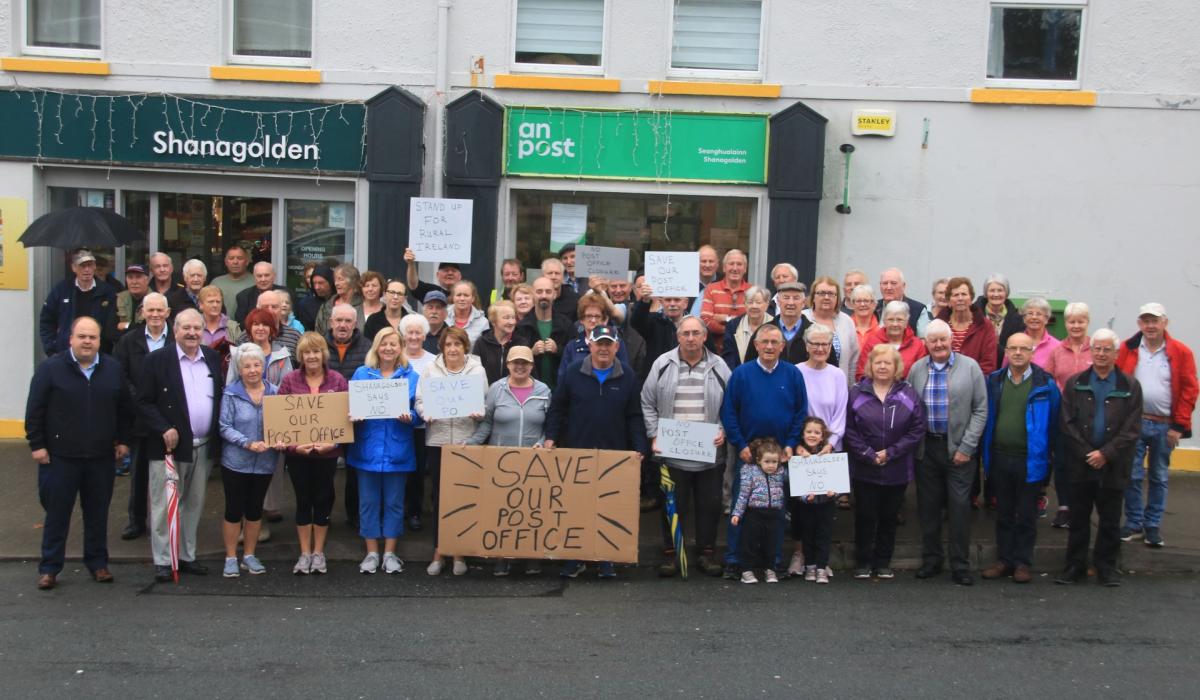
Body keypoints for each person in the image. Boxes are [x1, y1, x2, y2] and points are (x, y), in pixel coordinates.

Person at [25, 317, 132, 590]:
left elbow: (124, 409)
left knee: (97, 513)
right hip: (60, 457)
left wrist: (123, 440)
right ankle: (49, 568)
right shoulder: (50, 369)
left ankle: (98, 564)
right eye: (82, 336)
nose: (87, 342)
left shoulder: (112, 369)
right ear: (70, 339)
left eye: (92, 337)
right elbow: (35, 410)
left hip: (101, 457)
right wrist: (37, 445)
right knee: (57, 514)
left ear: (99, 341)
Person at [544, 324, 648, 579]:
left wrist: (639, 448)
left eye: (608, 343)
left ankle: (605, 558)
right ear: (590, 345)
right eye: (598, 343)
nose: (603, 348)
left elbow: (634, 415)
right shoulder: (572, 372)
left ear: (616, 347)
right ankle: (575, 558)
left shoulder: (628, 377)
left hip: (614, 454)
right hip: (577, 452)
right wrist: (550, 438)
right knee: (576, 508)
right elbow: (558, 408)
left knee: (608, 508)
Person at [641, 316, 731, 578]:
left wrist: (723, 430)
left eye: (695, 333)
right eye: (685, 333)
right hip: (672, 451)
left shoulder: (719, 366)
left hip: (709, 453)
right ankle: (670, 554)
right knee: (673, 506)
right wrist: (654, 434)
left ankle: (707, 554)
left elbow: (733, 403)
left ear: (705, 337)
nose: (690, 338)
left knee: (709, 507)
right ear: (678, 337)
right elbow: (647, 402)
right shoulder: (662, 364)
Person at [138, 309, 224, 583]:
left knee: (193, 504)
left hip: (203, 445)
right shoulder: (156, 361)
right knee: (163, 505)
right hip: (169, 448)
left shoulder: (211, 357)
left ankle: (187, 556)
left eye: (197, 328)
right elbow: (143, 402)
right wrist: (164, 427)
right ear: (175, 330)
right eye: (186, 327)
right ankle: (164, 560)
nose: (192, 333)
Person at [719, 324, 808, 579]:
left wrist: (790, 443)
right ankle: (735, 560)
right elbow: (729, 412)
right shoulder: (741, 374)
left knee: (777, 510)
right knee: (741, 506)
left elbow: (801, 411)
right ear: (755, 345)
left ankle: (772, 561)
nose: (769, 347)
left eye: (774, 342)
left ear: (782, 346)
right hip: (748, 454)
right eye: (765, 342)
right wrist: (740, 445)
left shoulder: (792, 374)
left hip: (780, 456)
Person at [1056, 329, 1143, 587]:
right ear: (1090, 351)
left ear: (1116, 354)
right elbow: (1066, 422)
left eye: (1107, 349)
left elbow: (1132, 427)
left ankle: (1106, 568)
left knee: (1110, 521)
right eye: (1097, 349)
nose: (1102, 354)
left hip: (1114, 465)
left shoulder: (1129, 386)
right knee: (1079, 519)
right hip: (1081, 464)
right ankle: (1074, 567)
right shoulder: (1076, 382)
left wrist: (1106, 453)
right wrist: (1087, 453)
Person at [908, 320, 988, 586]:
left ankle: (960, 564)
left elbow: (980, 409)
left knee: (959, 507)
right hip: (927, 448)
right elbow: (910, 408)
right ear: (926, 343)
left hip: (959, 449)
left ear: (952, 339)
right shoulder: (918, 369)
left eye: (943, 339)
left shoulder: (970, 367)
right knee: (928, 508)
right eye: (934, 340)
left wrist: (967, 447)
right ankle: (931, 560)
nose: (939, 345)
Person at [980, 333, 1061, 583]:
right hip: (1000, 457)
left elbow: (1055, 423)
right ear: (1006, 351)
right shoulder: (994, 380)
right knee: (1003, 512)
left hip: (1030, 459)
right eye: (1012, 348)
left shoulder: (1045, 384)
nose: (1017, 353)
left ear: (1032, 352)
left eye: (1023, 349)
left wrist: (1049, 458)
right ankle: (1004, 560)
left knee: (1026, 514)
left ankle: (1023, 563)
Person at [467, 345, 553, 576]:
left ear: (532, 366)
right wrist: (471, 444)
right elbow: (486, 423)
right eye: (516, 362)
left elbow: (550, 426)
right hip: (501, 462)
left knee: (532, 511)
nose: (520, 366)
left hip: (534, 463)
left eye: (525, 362)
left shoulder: (544, 390)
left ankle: (532, 556)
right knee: (502, 511)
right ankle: (501, 557)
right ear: (508, 365)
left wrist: (544, 442)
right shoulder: (497, 389)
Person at [1117, 303, 1197, 548]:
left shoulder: (1180, 352)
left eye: (1155, 321)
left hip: (1165, 425)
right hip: (1135, 422)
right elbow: (1118, 382)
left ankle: (1152, 525)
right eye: (1146, 321)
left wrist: (1179, 426)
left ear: (1165, 323)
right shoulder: (1128, 349)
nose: (1150, 326)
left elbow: (1190, 389)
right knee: (1132, 474)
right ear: (1140, 324)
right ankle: (1133, 523)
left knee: (1159, 476)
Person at [845, 344, 925, 580]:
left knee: (889, 518)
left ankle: (882, 562)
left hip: (896, 467)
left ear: (896, 367)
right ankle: (862, 562)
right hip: (864, 468)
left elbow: (917, 428)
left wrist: (891, 452)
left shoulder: (908, 393)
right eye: (878, 362)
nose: (882, 366)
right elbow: (849, 429)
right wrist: (869, 454)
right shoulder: (857, 392)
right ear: (870, 365)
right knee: (865, 516)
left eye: (887, 362)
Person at [348, 327, 420, 575]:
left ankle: (390, 553)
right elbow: (350, 408)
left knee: (394, 503)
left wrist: (409, 416)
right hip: (367, 449)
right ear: (376, 347)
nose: (388, 348)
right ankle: (371, 553)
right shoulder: (361, 374)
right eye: (384, 343)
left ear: (401, 347)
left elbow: (420, 414)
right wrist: (353, 417)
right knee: (368, 502)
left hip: (397, 450)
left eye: (393, 344)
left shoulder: (412, 377)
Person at [416, 327, 486, 577]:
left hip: (466, 442)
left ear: (464, 346)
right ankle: (439, 551)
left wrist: (480, 411)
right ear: (442, 348)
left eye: (457, 344)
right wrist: (427, 414)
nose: (453, 349)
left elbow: (485, 401)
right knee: (439, 497)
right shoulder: (430, 370)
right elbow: (420, 401)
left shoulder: (476, 370)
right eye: (448, 345)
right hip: (439, 441)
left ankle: (459, 553)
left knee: (463, 498)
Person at [277, 332, 348, 575]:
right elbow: (280, 422)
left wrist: (334, 443)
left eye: (316, 351)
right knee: (303, 501)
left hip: (326, 455)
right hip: (298, 455)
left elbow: (346, 419)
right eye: (307, 352)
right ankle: (304, 553)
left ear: (323, 354)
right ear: (300, 355)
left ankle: (319, 552)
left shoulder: (337, 380)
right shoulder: (289, 381)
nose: (312, 356)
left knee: (323, 499)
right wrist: (293, 447)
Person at [217, 343, 279, 577]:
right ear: (239, 369)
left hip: (264, 462)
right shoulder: (231, 393)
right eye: (247, 366)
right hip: (236, 461)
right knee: (234, 510)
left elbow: (283, 424)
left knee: (255, 510)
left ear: (263, 367)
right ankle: (231, 556)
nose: (252, 370)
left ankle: (250, 556)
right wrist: (247, 442)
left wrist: (280, 440)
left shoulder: (275, 392)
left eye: (256, 365)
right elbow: (224, 426)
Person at [114, 292, 171, 541]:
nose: (156, 315)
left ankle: (168, 520)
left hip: (169, 418)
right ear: (142, 313)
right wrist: (140, 401)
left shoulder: (176, 339)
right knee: (139, 473)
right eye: (151, 310)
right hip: (139, 419)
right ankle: (136, 520)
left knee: (170, 474)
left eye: (160, 310)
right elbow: (121, 375)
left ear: (168, 313)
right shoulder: (129, 341)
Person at [790, 323, 849, 556]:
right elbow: (792, 410)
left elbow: (840, 413)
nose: (820, 348)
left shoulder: (837, 375)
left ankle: (819, 560)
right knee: (800, 507)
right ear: (806, 346)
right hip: (801, 449)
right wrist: (797, 444)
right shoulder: (795, 371)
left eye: (825, 344)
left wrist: (830, 444)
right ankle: (799, 554)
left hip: (828, 450)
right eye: (815, 344)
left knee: (823, 510)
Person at [1043, 302, 1094, 528]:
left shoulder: (1096, 349)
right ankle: (1064, 507)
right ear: (1065, 323)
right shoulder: (1057, 351)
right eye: (1072, 321)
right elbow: (1047, 380)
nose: (1076, 325)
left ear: (1087, 323)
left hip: (1091, 419)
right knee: (1062, 463)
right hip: (1063, 417)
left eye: (1080, 321)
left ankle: (1081, 508)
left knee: (1084, 463)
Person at [324, 303, 370, 527]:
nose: (342, 325)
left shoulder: (368, 349)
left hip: (357, 420)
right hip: (325, 419)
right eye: (338, 320)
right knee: (326, 470)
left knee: (354, 470)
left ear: (355, 324)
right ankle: (324, 514)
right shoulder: (318, 346)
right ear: (331, 322)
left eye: (347, 321)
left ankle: (354, 515)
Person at [730, 437, 787, 584]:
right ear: (758, 460)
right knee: (750, 542)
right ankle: (746, 570)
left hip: (773, 513)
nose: (771, 465)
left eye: (774, 462)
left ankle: (770, 569)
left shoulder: (781, 473)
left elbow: (798, 483)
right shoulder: (750, 472)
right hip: (754, 513)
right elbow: (743, 494)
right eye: (767, 461)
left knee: (771, 543)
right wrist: (737, 513)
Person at [40, 249, 118, 356]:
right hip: (66, 354)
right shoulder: (61, 290)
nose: (87, 270)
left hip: (99, 354)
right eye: (82, 266)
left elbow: (114, 325)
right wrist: (51, 349)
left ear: (94, 266)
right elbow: (46, 321)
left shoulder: (108, 292)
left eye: (90, 265)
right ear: (73, 268)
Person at [399, 314, 435, 532]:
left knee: (418, 471)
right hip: (395, 424)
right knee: (398, 470)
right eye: (409, 332)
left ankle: (414, 512)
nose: (413, 336)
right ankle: (397, 511)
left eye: (417, 332)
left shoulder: (433, 360)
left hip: (422, 426)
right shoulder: (395, 356)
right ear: (403, 335)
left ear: (424, 335)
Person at [792, 418, 838, 584]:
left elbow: (837, 478)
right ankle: (810, 566)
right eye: (809, 432)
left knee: (823, 536)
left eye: (817, 433)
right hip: (805, 504)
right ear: (803, 434)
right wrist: (804, 497)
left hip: (826, 504)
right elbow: (794, 483)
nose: (812, 435)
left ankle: (821, 567)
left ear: (822, 436)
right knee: (807, 535)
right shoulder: (797, 455)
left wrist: (835, 492)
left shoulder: (829, 454)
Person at [557, 294, 630, 387]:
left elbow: (625, 374)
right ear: (581, 320)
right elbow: (562, 378)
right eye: (588, 316)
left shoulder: (616, 343)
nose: (593, 320)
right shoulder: (572, 346)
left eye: (597, 316)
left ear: (604, 319)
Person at [513, 277, 571, 389]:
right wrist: (530, 353)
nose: (544, 295)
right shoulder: (521, 327)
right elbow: (512, 361)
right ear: (533, 295)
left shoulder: (566, 325)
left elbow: (574, 356)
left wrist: (557, 350)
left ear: (554, 294)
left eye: (548, 291)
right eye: (539, 291)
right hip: (529, 391)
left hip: (560, 390)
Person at [802, 276, 859, 385]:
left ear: (837, 298)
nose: (827, 297)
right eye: (822, 293)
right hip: (807, 385)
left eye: (831, 294)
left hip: (838, 386)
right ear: (813, 296)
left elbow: (853, 362)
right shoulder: (802, 318)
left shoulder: (847, 321)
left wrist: (850, 389)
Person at [742, 282, 812, 365]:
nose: (790, 302)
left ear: (804, 303)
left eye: (796, 298)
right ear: (778, 301)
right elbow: (749, 366)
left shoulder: (814, 332)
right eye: (786, 298)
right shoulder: (762, 331)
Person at [857, 300, 927, 380]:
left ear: (906, 322)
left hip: (907, 391)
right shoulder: (872, 342)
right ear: (884, 321)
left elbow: (921, 376)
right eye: (890, 319)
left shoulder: (917, 345)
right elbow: (861, 374)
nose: (895, 324)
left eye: (899, 320)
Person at [699, 249, 750, 354]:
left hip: (744, 354)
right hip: (716, 354)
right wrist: (737, 327)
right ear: (724, 268)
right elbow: (705, 321)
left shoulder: (752, 291)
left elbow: (753, 323)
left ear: (745, 269)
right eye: (731, 264)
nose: (735, 268)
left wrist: (726, 319)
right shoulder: (711, 289)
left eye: (739, 264)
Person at [631, 281, 689, 363]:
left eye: (677, 300)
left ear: (685, 303)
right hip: (658, 373)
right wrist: (645, 300)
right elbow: (636, 322)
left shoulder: (695, 325)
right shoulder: (653, 321)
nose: (672, 304)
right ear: (661, 302)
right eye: (668, 300)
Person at [976, 273, 1024, 369]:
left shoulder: (1017, 318)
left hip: (1006, 368)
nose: (996, 294)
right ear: (986, 293)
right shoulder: (974, 315)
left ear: (1006, 293)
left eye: (1000, 290)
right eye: (992, 290)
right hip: (979, 367)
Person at [722, 285, 772, 371]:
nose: (754, 306)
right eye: (750, 302)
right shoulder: (733, 325)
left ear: (767, 304)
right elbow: (729, 355)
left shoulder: (775, 324)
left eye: (758, 302)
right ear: (744, 304)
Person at [474, 300, 521, 385]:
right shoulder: (481, 343)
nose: (511, 322)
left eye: (513, 317)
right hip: (487, 395)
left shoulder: (521, 343)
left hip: (513, 395)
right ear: (493, 321)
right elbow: (475, 374)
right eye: (506, 318)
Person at [314, 263, 366, 335]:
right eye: (335, 280)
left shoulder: (363, 305)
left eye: (340, 279)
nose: (336, 283)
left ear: (352, 282)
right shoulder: (327, 306)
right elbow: (318, 333)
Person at [875, 267, 927, 335]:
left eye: (893, 283)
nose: (888, 287)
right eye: (885, 283)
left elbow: (923, 341)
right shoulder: (873, 307)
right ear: (880, 286)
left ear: (903, 286)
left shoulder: (918, 310)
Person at [1013, 297, 1061, 369]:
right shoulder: (1014, 342)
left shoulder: (1057, 346)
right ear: (1024, 319)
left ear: (1046, 319)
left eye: (1039, 314)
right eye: (1030, 313)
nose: (1034, 317)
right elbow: (1004, 371)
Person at [209, 244, 255, 311]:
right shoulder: (216, 283)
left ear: (247, 261)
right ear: (226, 262)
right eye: (231, 258)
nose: (235, 262)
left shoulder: (255, 282)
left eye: (240, 258)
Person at [449, 280, 490, 346]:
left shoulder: (483, 322)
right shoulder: (443, 317)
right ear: (453, 297)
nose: (462, 298)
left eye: (466, 295)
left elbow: (485, 348)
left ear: (473, 298)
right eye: (458, 295)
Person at [540, 257, 580, 323]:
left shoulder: (575, 300)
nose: (553, 277)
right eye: (550, 273)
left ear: (562, 276)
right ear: (542, 276)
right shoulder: (535, 298)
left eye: (557, 273)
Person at [296, 265, 334, 332]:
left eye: (321, 283)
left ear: (330, 282)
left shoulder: (339, 301)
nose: (317, 287)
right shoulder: (305, 305)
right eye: (314, 283)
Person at [115, 263, 150, 334]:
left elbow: (151, 329)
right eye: (130, 277)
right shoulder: (118, 298)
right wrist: (136, 327)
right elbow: (110, 331)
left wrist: (126, 325)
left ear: (147, 280)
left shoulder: (156, 300)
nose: (134, 282)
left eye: (138, 277)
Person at [849, 284, 880, 349]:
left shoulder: (881, 330)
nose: (862, 304)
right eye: (858, 301)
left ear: (873, 304)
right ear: (852, 304)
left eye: (866, 301)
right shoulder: (846, 327)